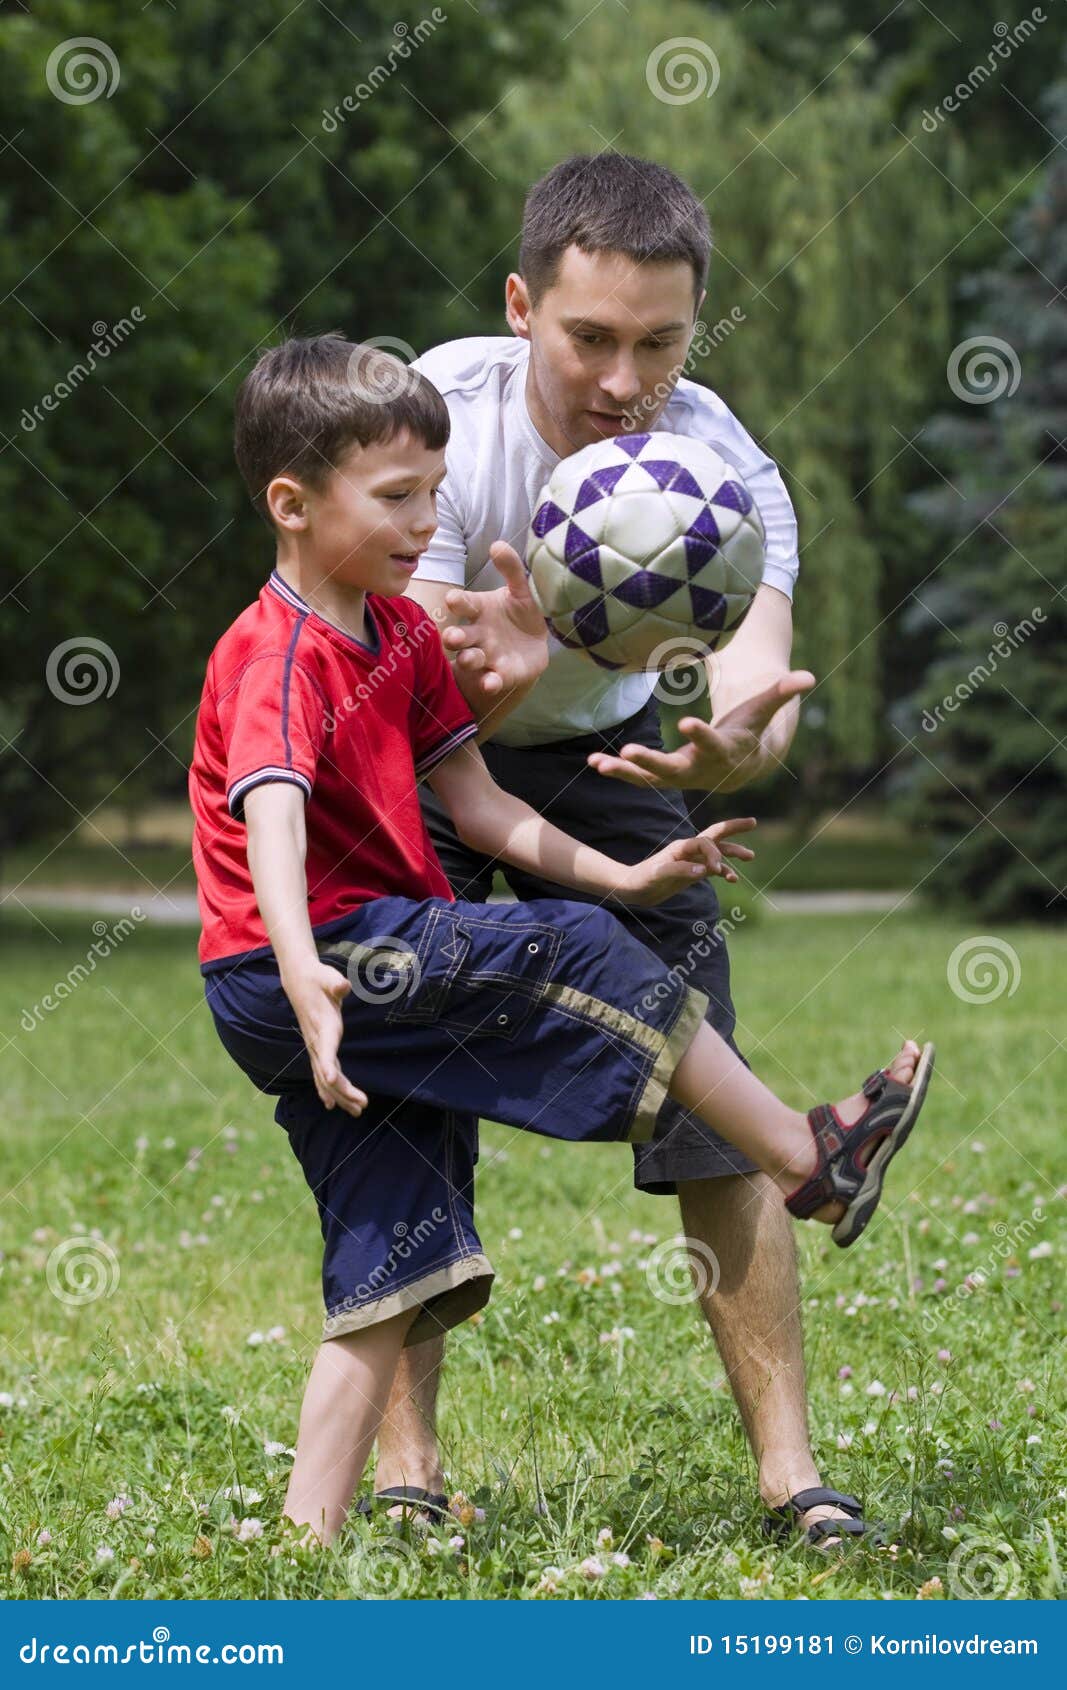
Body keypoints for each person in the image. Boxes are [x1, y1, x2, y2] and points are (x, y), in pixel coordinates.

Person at [188, 333, 934, 1547]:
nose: (424, 518)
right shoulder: (279, 649)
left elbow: (481, 808)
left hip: (345, 959)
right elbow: (268, 812)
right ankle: (807, 1157)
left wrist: (627, 866)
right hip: (324, 954)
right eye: (396, 499)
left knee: (396, 1239)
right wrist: (302, 973)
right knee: (578, 953)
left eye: (433, 492)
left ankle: (307, 1534)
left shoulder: (402, 637)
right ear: (289, 503)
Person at [377, 150, 905, 1549]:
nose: (624, 379)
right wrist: (488, 660)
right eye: (589, 338)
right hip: (416, 761)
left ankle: (793, 1479)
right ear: (518, 305)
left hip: (607, 758)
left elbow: (755, 681)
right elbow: (398, 677)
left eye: (658, 342)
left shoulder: (721, 466)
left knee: (707, 1097)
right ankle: (404, 1471)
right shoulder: (430, 422)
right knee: (399, 1089)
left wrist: (734, 752)